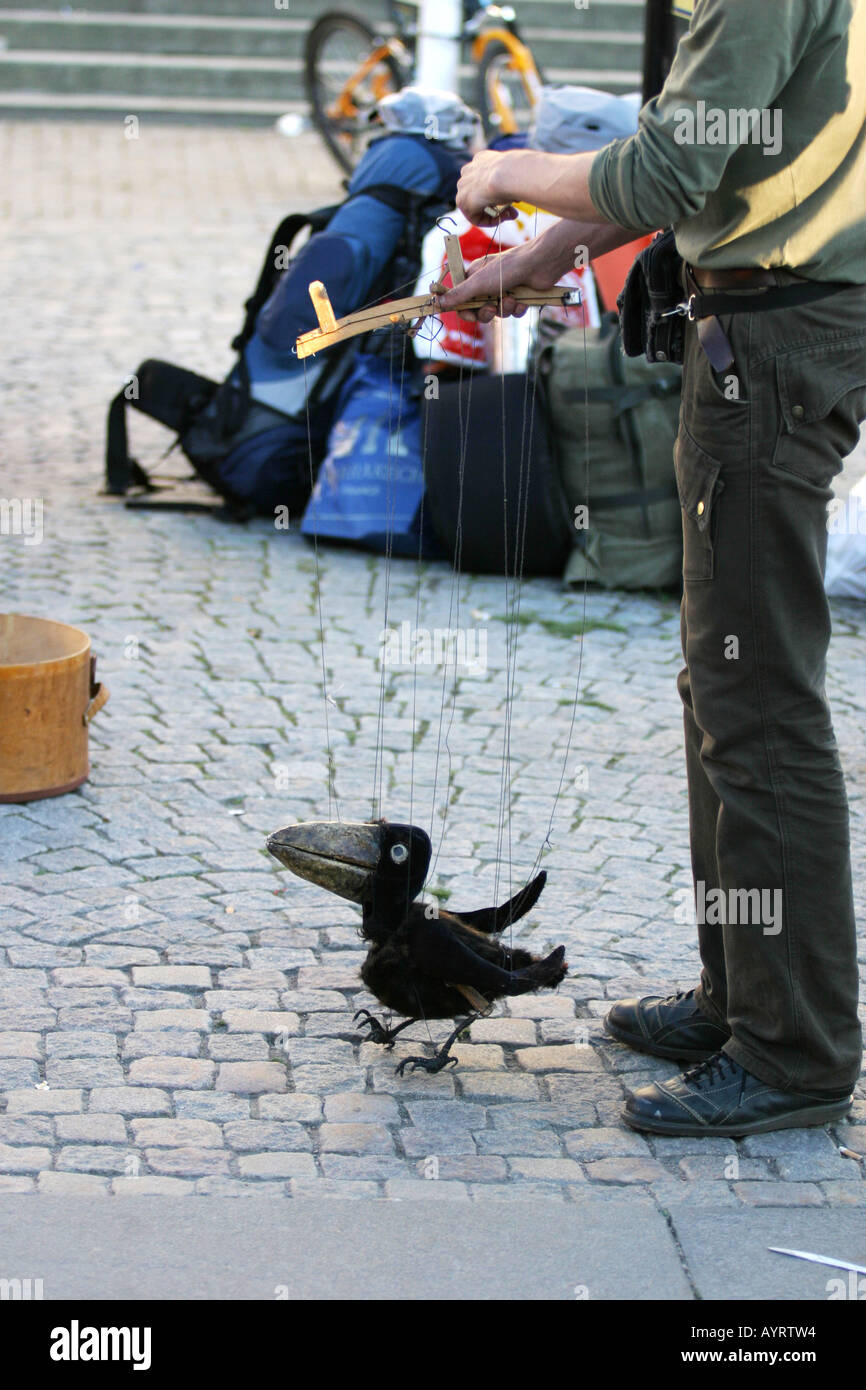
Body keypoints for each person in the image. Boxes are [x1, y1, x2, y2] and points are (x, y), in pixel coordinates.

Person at [436, 0, 866, 1137]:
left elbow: (673, 166)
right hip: (760, 314)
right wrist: (542, 249)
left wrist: (512, 169)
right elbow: (702, 143)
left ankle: (793, 1051)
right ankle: (742, 995)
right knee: (719, 682)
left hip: (783, 330)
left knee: (756, 697)